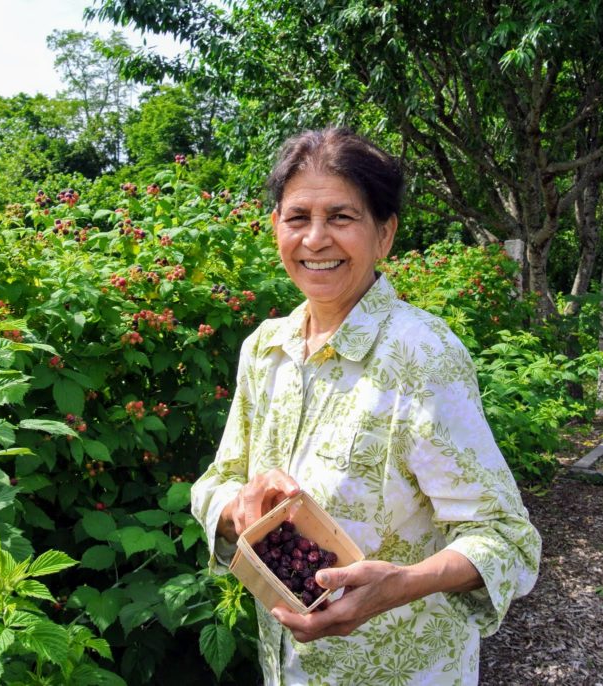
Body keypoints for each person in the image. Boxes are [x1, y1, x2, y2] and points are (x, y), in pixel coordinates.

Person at [190, 128, 540, 685]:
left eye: (342, 218)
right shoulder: (266, 350)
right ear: (276, 227)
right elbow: (218, 480)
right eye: (297, 217)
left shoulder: (421, 354)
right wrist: (238, 508)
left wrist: (397, 585)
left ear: (385, 234)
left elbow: (505, 539)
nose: (316, 239)